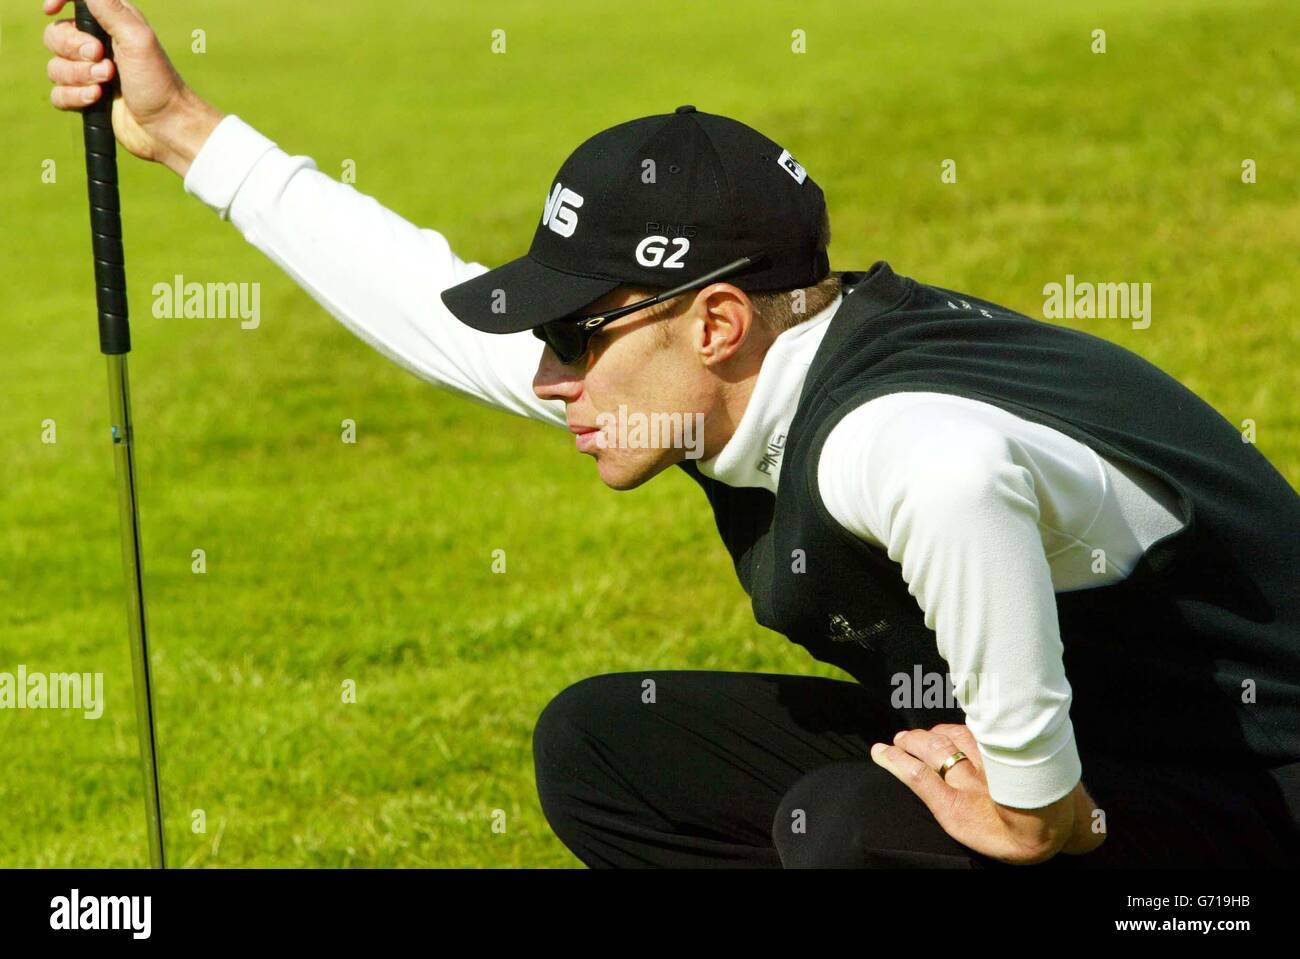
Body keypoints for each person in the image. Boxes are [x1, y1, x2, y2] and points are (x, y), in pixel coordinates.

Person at [44, 0, 1300, 867]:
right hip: (1093, 751)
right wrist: (187, 134)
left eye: (578, 337)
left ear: (711, 321)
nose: (548, 376)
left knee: (846, 829)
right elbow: (435, 310)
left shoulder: (882, 429)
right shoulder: (729, 374)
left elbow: (951, 469)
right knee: (607, 748)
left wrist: (1040, 810)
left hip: (1246, 791)